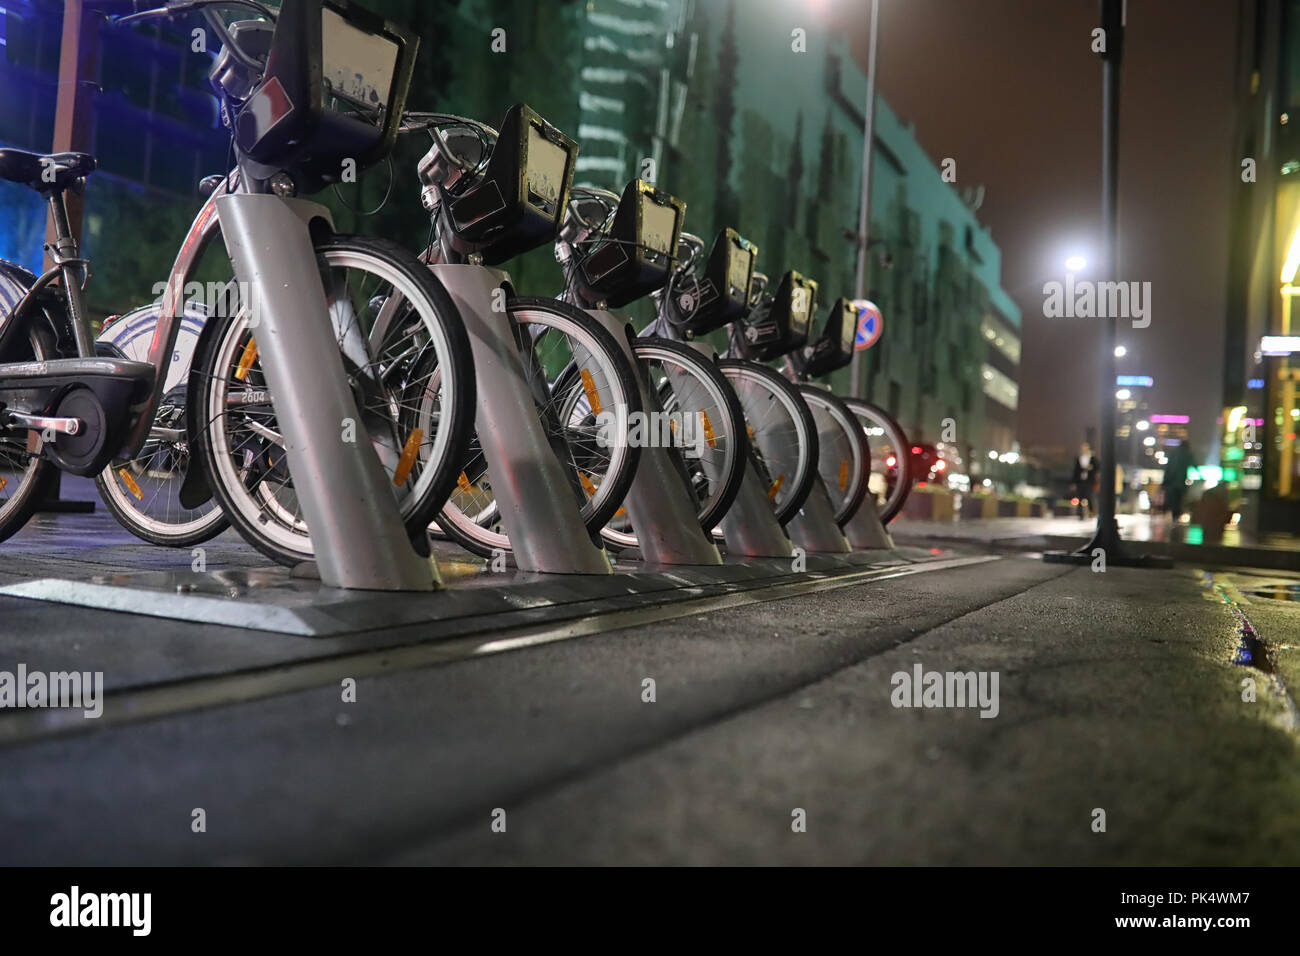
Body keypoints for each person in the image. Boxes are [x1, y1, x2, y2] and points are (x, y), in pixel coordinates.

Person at [1162, 442, 1193, 523]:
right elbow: (1193, 463)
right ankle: (1176, 517)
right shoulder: (1186, 453)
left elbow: (1168, 468)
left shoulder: (1173, 453)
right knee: (1178, 501)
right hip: (1180, 484)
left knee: (1173, 501)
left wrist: (1165, 481)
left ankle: (1174, 517)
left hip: (1171, 484)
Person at [1070, 442, 1096, 518]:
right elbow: (1075, 471)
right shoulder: (1079, 458)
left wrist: (1091, 468)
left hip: (1089, 481)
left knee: (1088, 496)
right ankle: (1080, 513)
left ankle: (1091, 512)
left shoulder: (1092, 458)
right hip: (1080, 481)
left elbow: (1096, 468)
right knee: (1080, 496)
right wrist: (1073, 482)